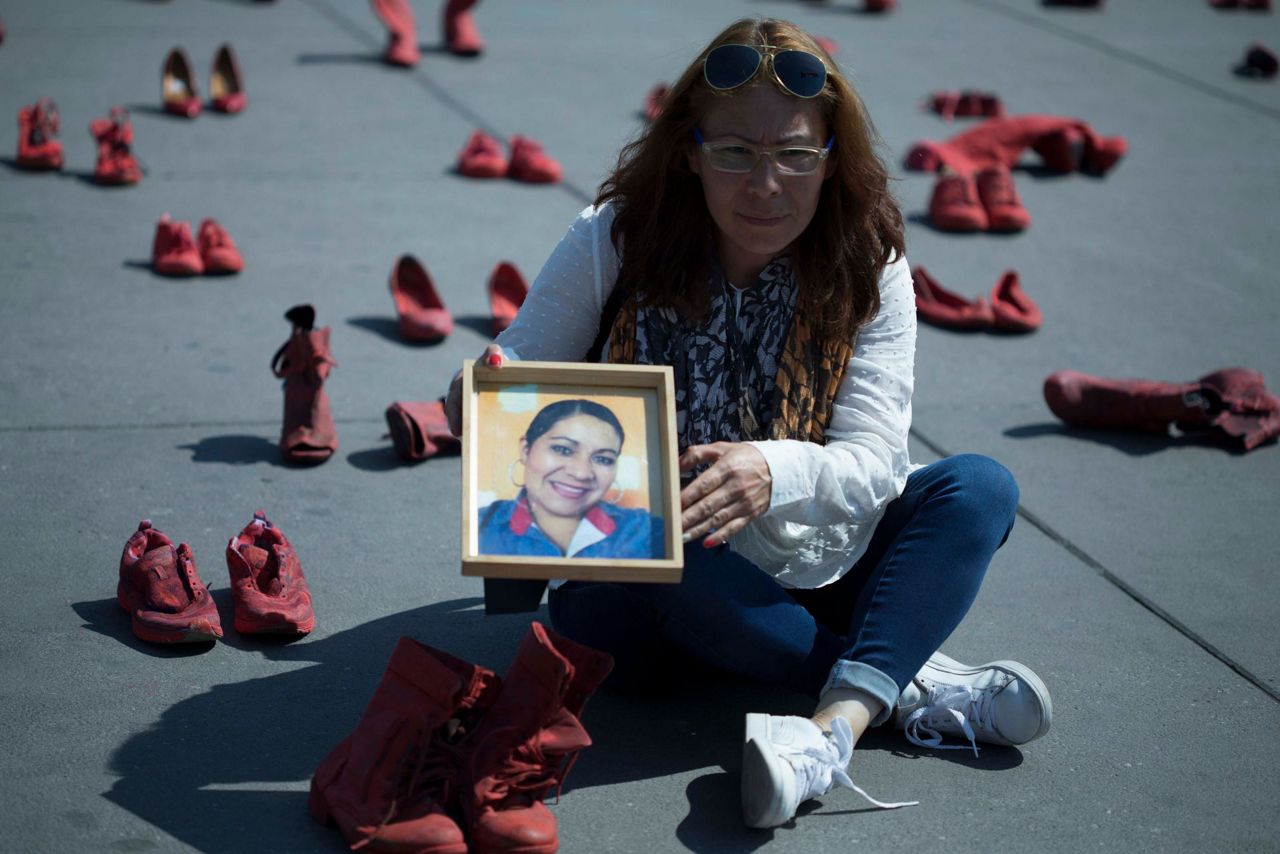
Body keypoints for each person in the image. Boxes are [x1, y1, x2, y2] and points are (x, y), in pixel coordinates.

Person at [445, 17, 1052, 828]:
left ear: (832, 159)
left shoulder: (871, 262)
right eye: (734, 152)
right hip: (645, 592)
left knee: (980, 487)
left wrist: (776, 469)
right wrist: (478, 395)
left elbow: (875, 462)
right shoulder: (614, 237)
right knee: (672, 559)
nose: (766, 185)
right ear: (689, 150)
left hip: (820, 567)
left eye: (796, 155)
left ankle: (831, 731)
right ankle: (901, 680)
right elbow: (519, 367)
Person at [477, 398, 663, 559]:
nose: (581, 473)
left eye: (603, 459)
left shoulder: (642, 530)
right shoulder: (482, 524)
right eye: (563, 449)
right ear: (526, 450)